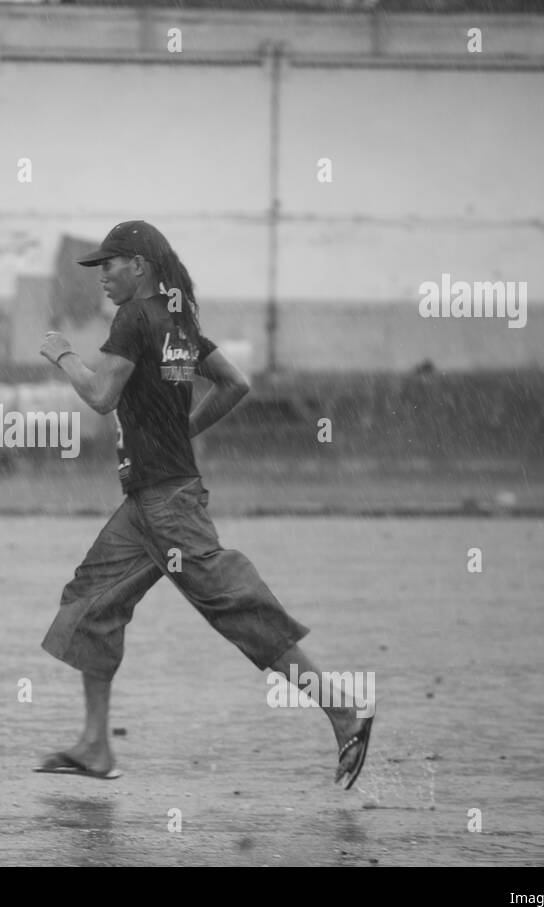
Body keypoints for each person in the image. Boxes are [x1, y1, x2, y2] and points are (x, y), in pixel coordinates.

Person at [34, 220, 373, 788]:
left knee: (234, 604)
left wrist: (63, 355)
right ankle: (96, 746)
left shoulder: (137, 318)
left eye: (110, 265)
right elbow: (235, 383)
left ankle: (343, 711)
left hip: (167, 505)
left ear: (139, 265)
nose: (103, 278)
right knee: (91, 605)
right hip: (147, 503)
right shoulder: (179, 322)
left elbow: (100, 396)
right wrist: (180, 430)